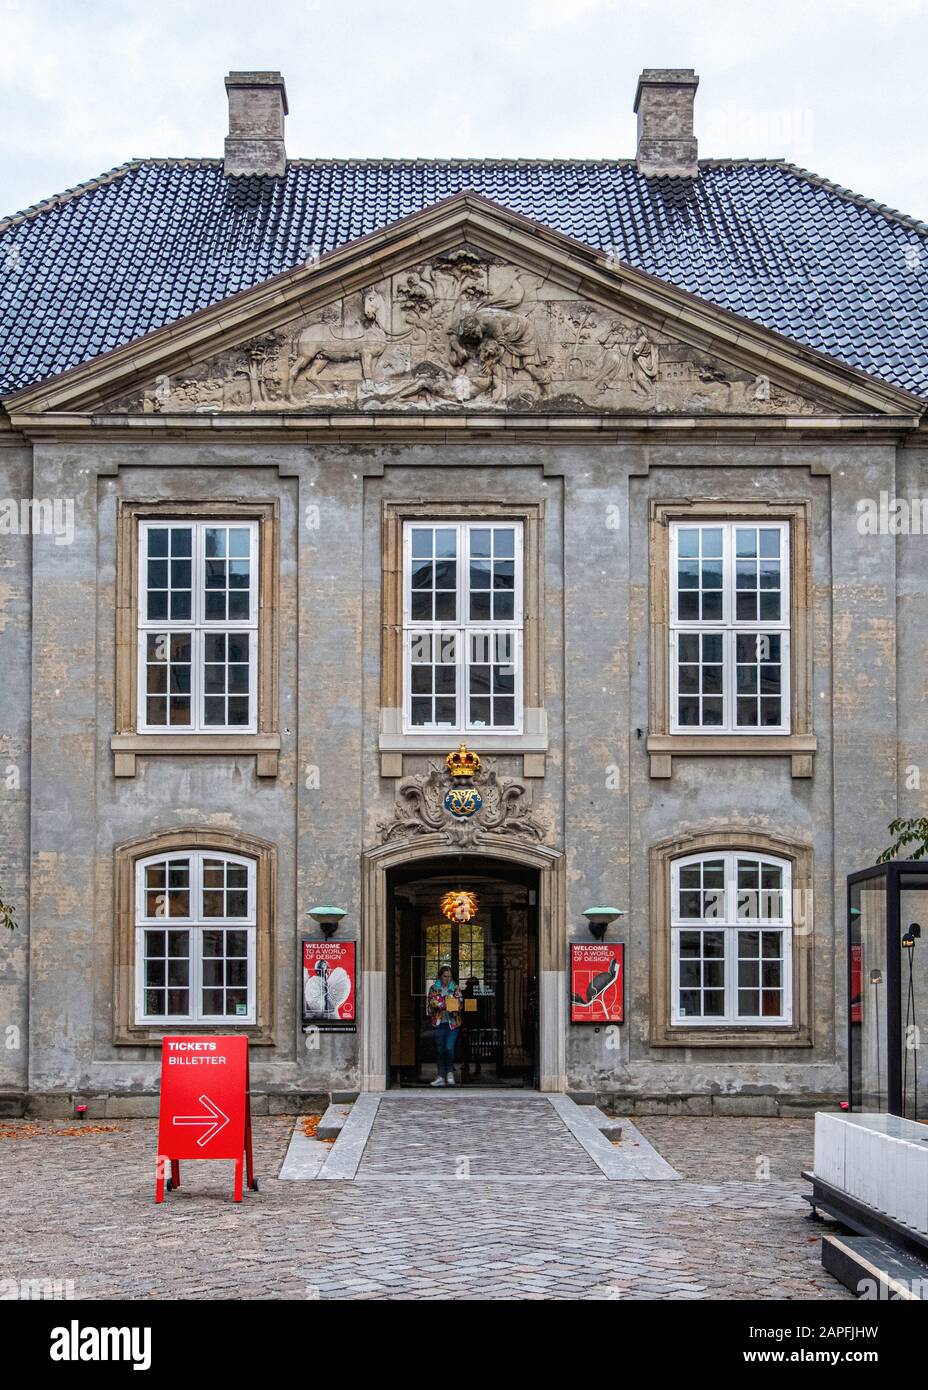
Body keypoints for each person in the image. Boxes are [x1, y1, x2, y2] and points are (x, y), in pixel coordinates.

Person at [427, 966, 464, 1086]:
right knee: (439, 1050)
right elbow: (433, 1003)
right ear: (440, 977)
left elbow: (459, 1005)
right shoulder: (433, 988)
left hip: (453, 1024)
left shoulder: (455, 988)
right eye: (445, 976)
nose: (447, 979)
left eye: (449, 976)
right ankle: (440, 1076)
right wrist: (448, 1004)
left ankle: (449, 1073)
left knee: (449, 1048)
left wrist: (442, 1004)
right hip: (439, 1023)